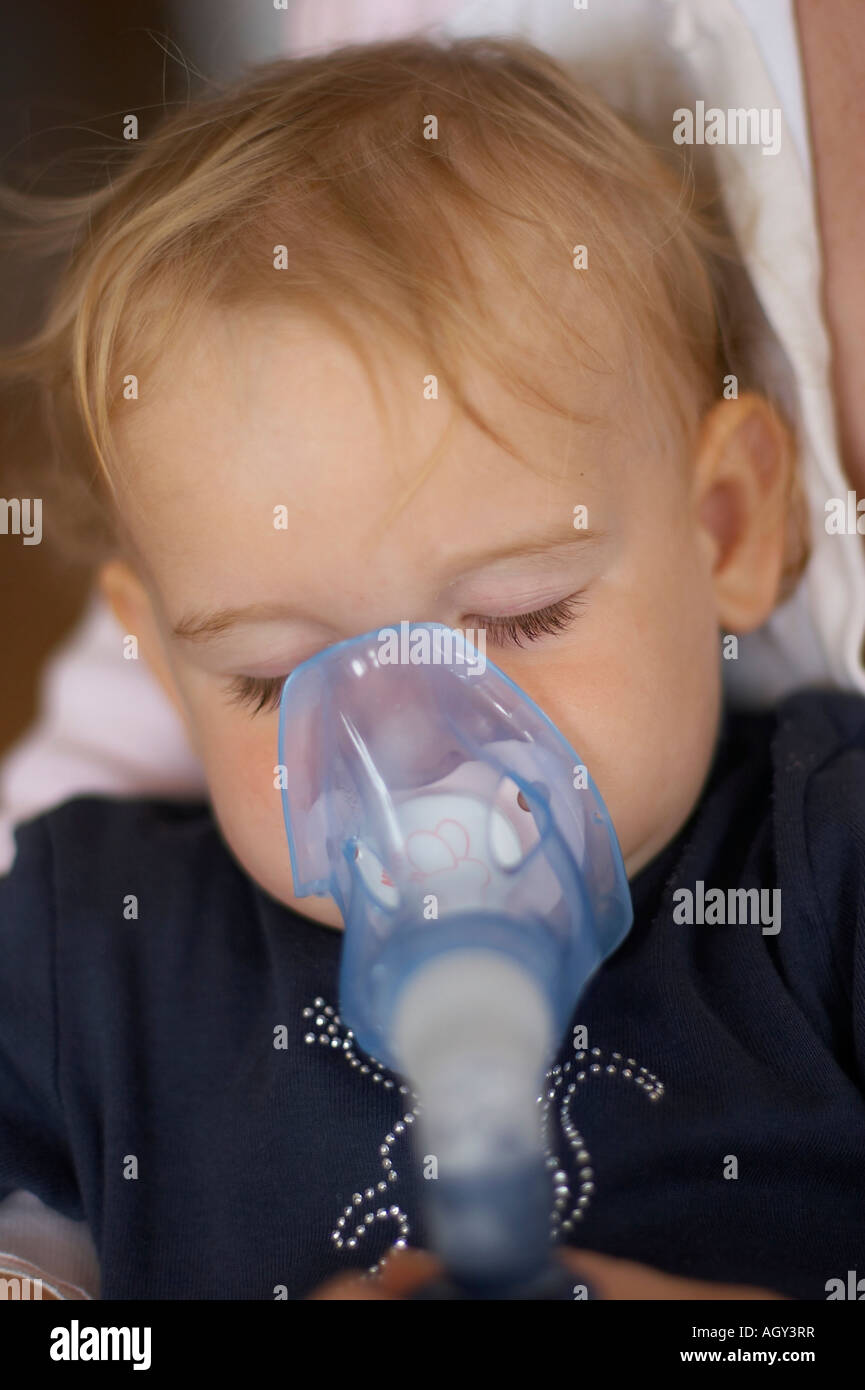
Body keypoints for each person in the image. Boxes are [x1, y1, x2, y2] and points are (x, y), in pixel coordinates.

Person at [1, 36, 863, 1302]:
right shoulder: (100, 954)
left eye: (520, 615)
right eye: (274, 675)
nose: (415, 753)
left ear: (724, 525)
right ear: (165, 654)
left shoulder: (822, 873)